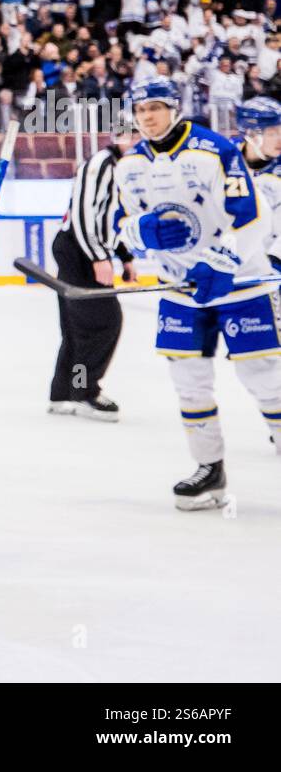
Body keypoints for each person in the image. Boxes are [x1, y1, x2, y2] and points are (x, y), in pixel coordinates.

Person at [114, 80, 281, 511]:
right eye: (140, 109)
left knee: (267, 380)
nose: (147, 116)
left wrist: (222, 263)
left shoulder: (214, 150)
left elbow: (253, 218)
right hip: (182, 292)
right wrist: (141, 233)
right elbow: (124, 225)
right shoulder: (129, 166)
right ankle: (210, 472)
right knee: (190, 388)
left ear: (174, 108)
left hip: (240, 285)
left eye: (155, 107)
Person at [48, 130, 139, 420]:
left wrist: (124, 257)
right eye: (132, 135)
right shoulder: (101, 164)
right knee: (103, 323)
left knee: (78, 328)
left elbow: (111, 220)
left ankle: (65, 392)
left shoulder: (125, 168)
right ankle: (84, 391)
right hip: (79, 251)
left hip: (84, 250)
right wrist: (99, 257)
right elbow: (84, 215)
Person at [235, 97, 281, 270]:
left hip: (273, 264)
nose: (280, 139)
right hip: (238, 262)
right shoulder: (224, 161)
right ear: (250, 134)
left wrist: (275, 260)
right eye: (272, 133)